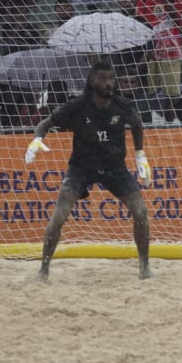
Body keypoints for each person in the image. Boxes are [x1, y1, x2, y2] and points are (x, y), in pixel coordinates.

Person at [24, 61, 153, 280]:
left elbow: (137, 125)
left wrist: (140, 155)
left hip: (114, 167)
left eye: (111, 78)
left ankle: (144, 267)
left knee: (140, 211)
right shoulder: (77, 105)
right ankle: (43, 270)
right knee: (59, 215)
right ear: (92, 81)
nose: (108, 83)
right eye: (103, 78)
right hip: (81, 167)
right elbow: (45, 124)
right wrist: (37, 139)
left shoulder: (123, 105)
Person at [136, 0, 182, 123]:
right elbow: (140, 20)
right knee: (149, 89)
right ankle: (150, 121)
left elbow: (181, 22)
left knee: (170, 93)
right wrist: (148, 45)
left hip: (172, 48)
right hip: (151, 46)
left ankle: (169, 123)